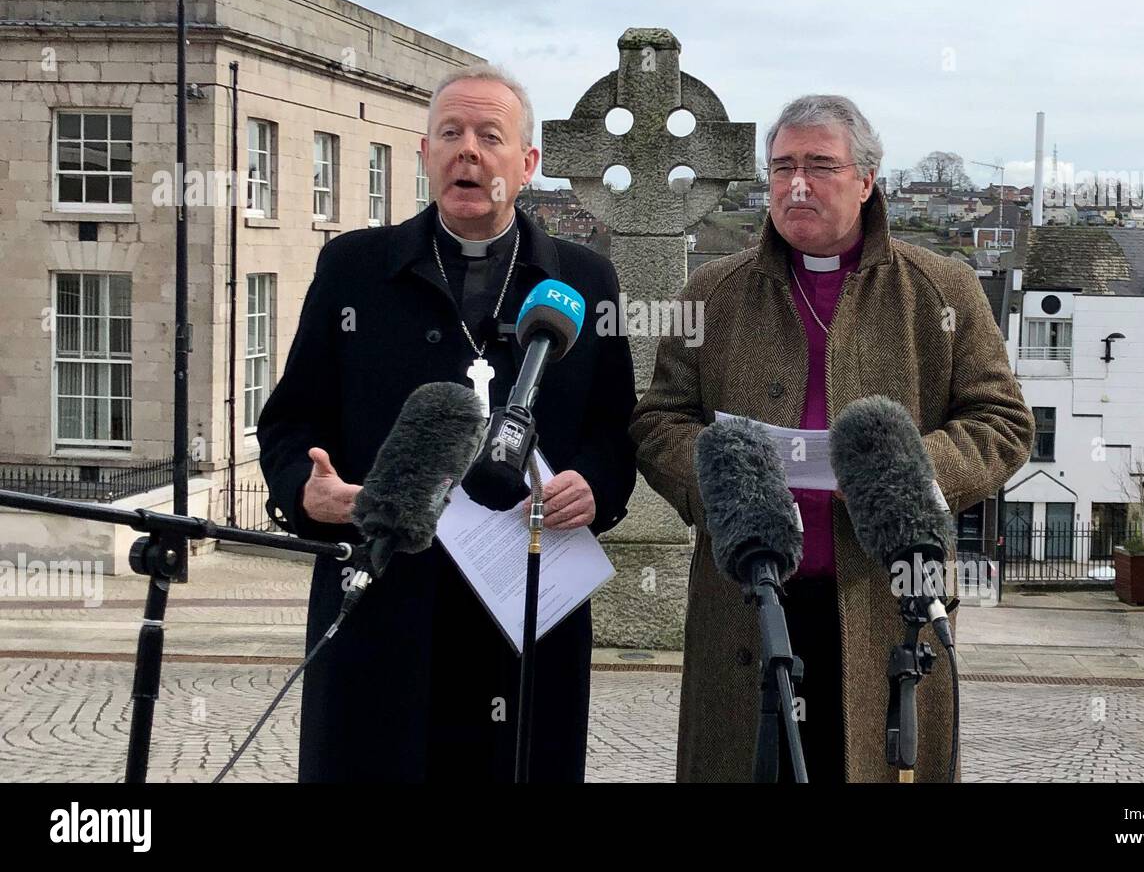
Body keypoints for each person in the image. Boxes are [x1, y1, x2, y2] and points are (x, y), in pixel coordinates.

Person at [629, 94, 1034, 782]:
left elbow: (1002, 422)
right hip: (749, 604)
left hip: (885, 601)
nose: (796, 185)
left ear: (867, 180)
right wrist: (724, 486)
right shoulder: (711, 292)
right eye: (782, 167)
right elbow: (659, 420)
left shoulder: (943, 288)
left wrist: (901, 474)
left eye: (819, 166)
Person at [258, 65, 637, 782]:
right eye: (450, 133)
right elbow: (290, 421)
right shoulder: (353, 268)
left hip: (525, 616)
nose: (468, 150)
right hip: (382, 610)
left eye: (490, 136)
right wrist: (305, 495)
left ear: (526, 164)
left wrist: (596, 487)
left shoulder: (584, 283)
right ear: (425, 153)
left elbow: (614, 430)